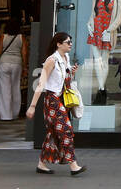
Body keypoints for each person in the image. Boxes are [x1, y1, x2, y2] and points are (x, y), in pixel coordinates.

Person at [26, 32, 86, 175]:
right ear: (59, 44)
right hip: (52, 100)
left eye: (71, 41)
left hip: (61, 99)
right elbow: (41, 84)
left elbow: (63, 79)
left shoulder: (65, 58)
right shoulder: (51, 60)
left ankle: (41, 164)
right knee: (66, 130)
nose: (70, 44)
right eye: (67, 42)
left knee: (53, 133)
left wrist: (71, 71)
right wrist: (32, 106)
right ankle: (73, 165)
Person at [0, 20, 26, 121]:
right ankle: (15, 114)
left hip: (4, 62)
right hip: (17, 63)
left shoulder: (2, 37)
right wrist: (25, 66)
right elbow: (24, 53)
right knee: (15, 88)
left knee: (4, 89)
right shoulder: (21, 37)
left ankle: (5, 116)